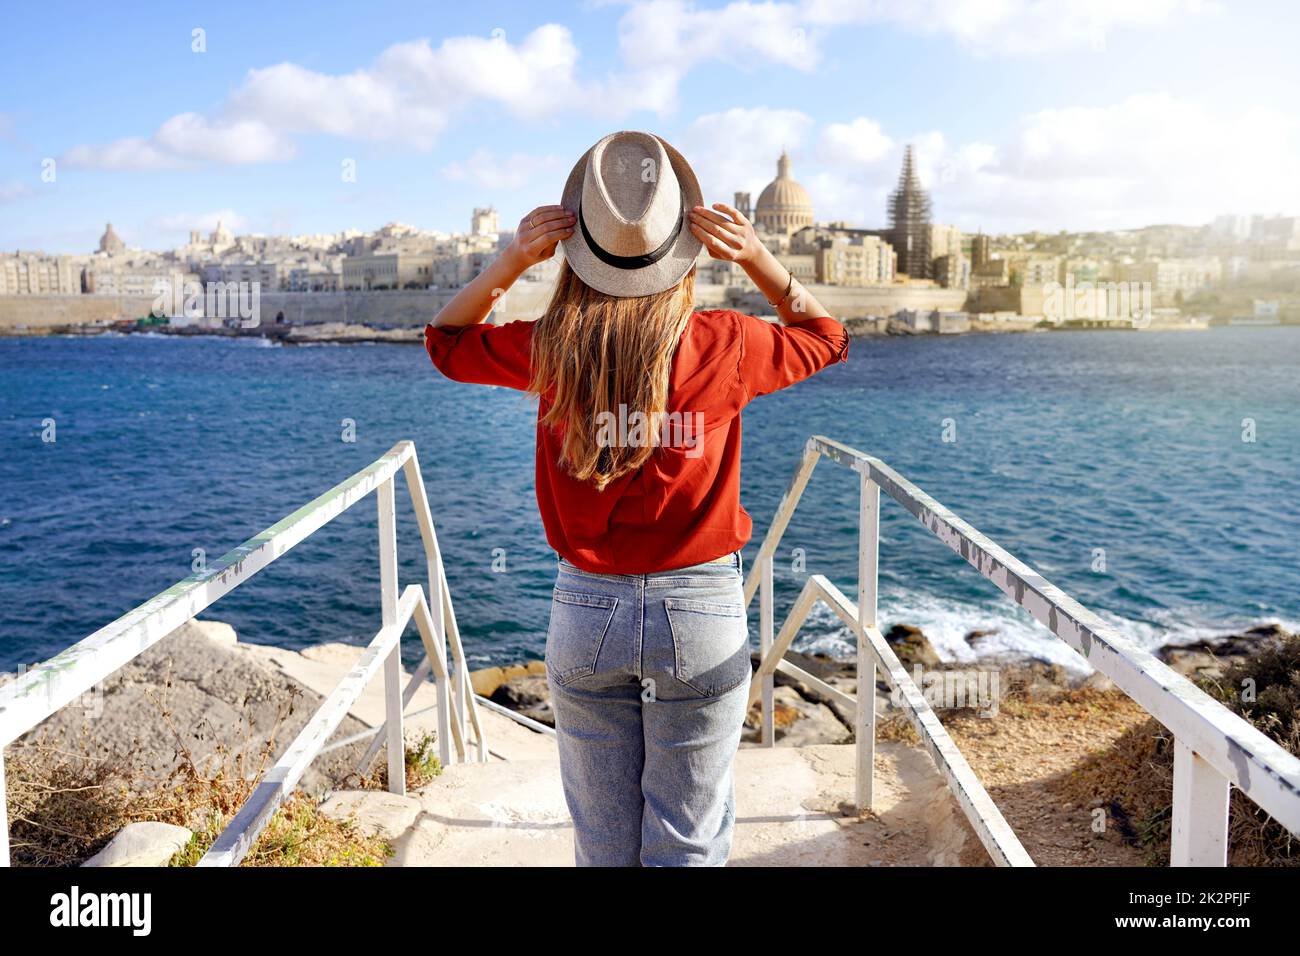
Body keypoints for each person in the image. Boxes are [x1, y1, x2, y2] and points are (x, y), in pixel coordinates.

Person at [424, 130, 847, 866]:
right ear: (684, 247)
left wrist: (513, 259)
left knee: (603, 838)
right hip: (701, 609)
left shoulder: (550, 346)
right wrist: (757, 260)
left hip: (585, 611)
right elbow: (827, 335)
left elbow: (445, 343)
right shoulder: (730, 342)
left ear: (580, 245)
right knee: (688, 835)